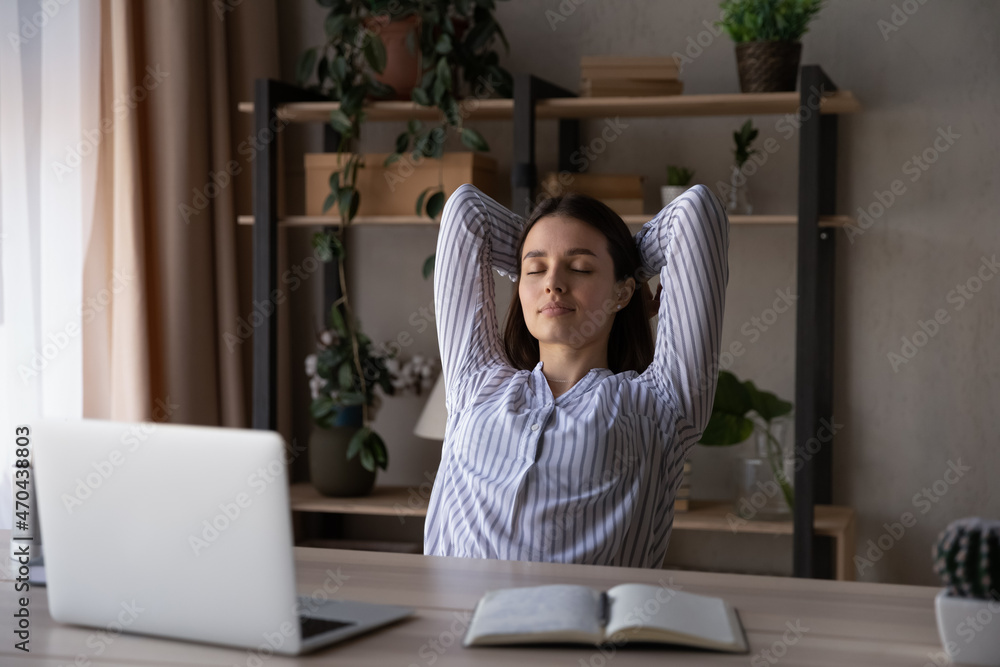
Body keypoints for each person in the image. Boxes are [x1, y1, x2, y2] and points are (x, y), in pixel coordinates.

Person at [424, 182, 729, 568]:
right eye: (535, 269)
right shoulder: (476, 384)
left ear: (623, 293)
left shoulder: (662, 404)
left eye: (581, 268)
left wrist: (629, 261)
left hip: (585, 627)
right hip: (449, 624)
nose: (552, 283)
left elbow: (696, 211)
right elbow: (467, 211)